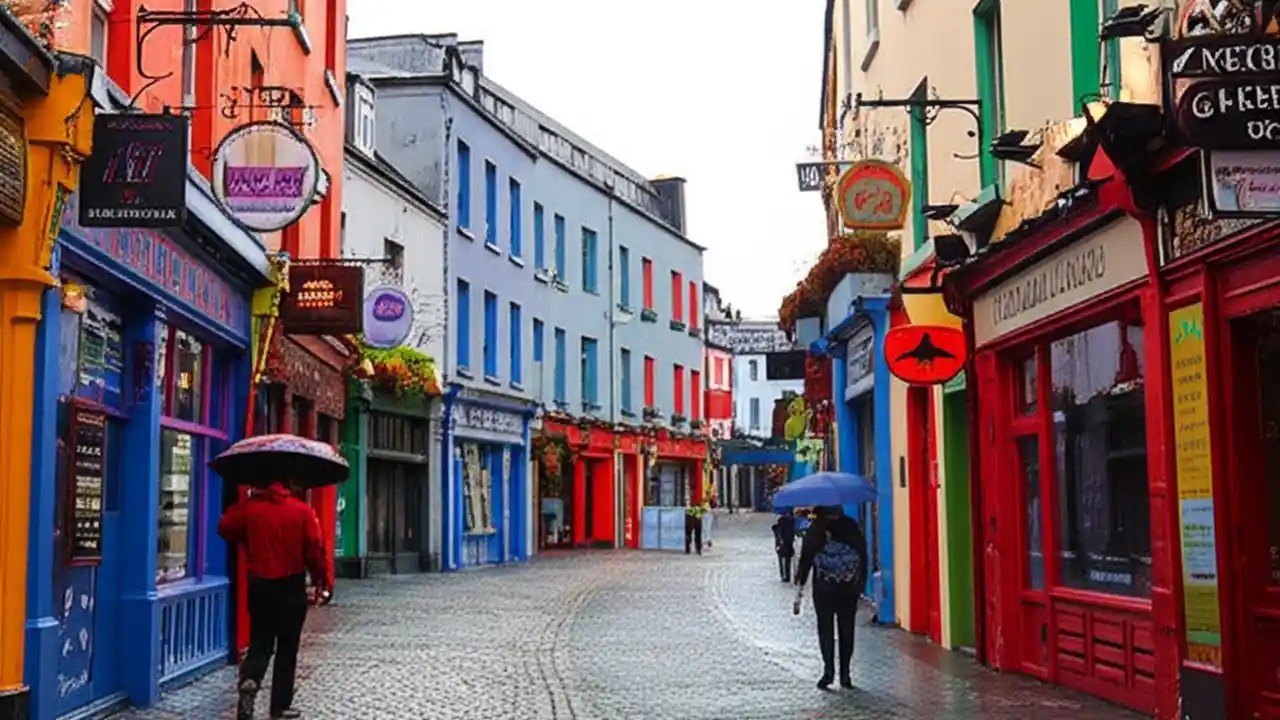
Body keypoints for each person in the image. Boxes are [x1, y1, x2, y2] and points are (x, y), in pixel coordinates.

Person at [219, 479, 332, 720]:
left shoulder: (250, 508)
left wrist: (247, 533)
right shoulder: (302, 511)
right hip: (291, 585)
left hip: (259, 584)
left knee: (260, 642)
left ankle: (250, 680)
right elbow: (314, 549)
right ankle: (280, 706)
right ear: (291, 485)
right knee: (287, 647)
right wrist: (322, 580)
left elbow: (225, 526)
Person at [794, 505, 868, 690]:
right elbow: (863, 555)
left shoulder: (817, 529)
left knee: (825, 629)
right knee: (846, 629)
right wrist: (860, 583)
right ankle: (845, 674)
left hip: (824, 588)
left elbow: (806, 559)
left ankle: (828, 672)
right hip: (848, 587)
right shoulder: (851, 526)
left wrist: (800, 583)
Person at [772, 511, 797, 582]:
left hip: (787, 542)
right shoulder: (787, 521)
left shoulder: (791, 521)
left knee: (786, 560)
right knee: (784, 559)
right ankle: (785, 575)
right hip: (784, 542)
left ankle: (785, 575)